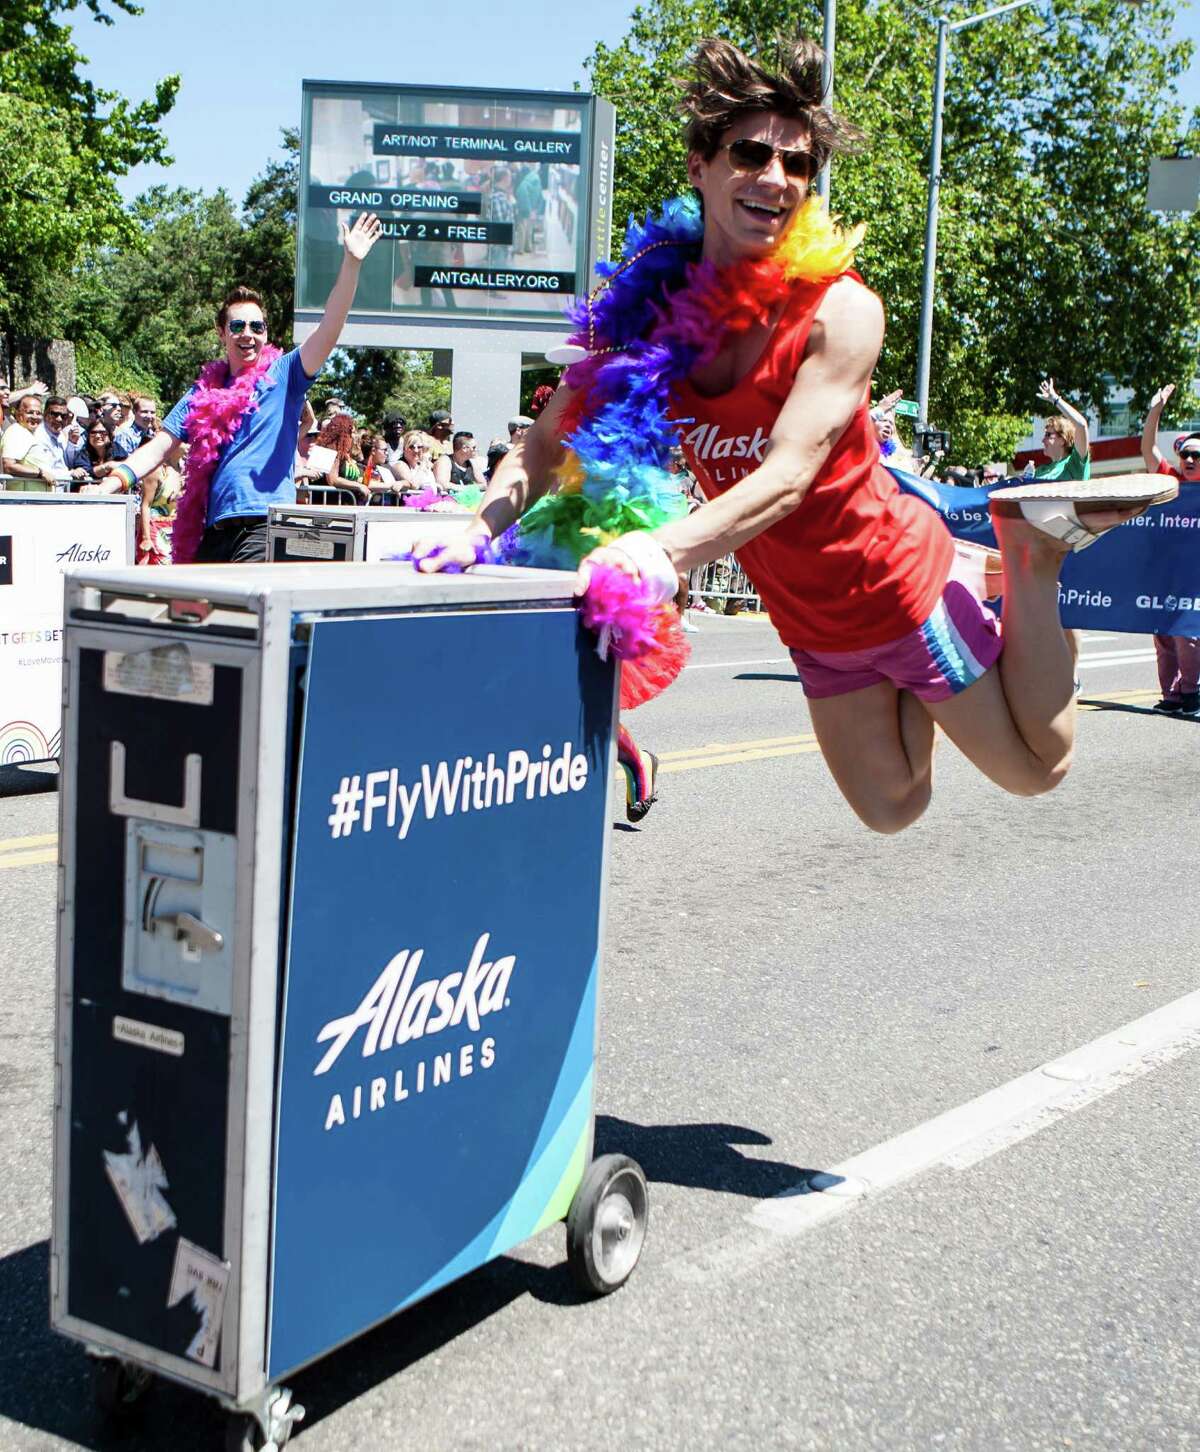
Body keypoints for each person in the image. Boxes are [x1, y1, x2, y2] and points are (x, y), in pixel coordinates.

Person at [413, 34, 1174, 835]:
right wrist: (478, 528)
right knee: (893, 809)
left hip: (896, 588)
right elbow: (542, 445)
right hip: (808, 617)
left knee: (1036, 770)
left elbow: (789, 475)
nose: (775, 179)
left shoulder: (841, 311)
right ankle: (967, 610)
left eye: (799, 165)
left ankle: (1029, 557)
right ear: (699, 167)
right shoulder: (650, 314)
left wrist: (660, 552)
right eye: (749, 154)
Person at [106, 212, 382, 562]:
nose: (248, 333)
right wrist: (113, 481)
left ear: (266, 333)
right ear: (222, 332)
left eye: (257, 326)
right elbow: (159, 447)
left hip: (264, 528)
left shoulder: (285, 374)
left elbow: (330, 326)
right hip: (215, 530)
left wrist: (352, 264)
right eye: (238, 325)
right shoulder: (202, 392)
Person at [1141, 383, 1200, 485]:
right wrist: (1155, 410)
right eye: (1184, 455)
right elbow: (1148, 450)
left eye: (1196, 455)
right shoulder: (1170, 479)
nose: (1189, 460)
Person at [1034, 379, 1090, 480]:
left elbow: (1081, 425)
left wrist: (1055, 399)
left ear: (1063, 439)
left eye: (1048, 435)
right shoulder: (1040, 470)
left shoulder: (1074, 464)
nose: (1043, 440)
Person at [1, 393, 57, 486]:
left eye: (38, 413)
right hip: (24, 498)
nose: (35, 417)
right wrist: (40, 473)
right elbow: (9, 466)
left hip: (38, 497)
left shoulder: (30, 433)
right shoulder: (16, 432)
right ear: (18, 414)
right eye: (30, 412)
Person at [137, 463, 181, 564]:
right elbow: (146, 505)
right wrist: (146, 538)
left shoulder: (181, 468)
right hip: (155, 531)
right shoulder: (156, 470)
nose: (189, 446)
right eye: (186, 445)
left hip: (174, 531)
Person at [111, 396, 158, 460]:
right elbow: (122, 465)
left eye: (152, 412)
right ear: (134, 412)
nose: (149, 416)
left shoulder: (155, 436)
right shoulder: (124, 436)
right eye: (144, 412)